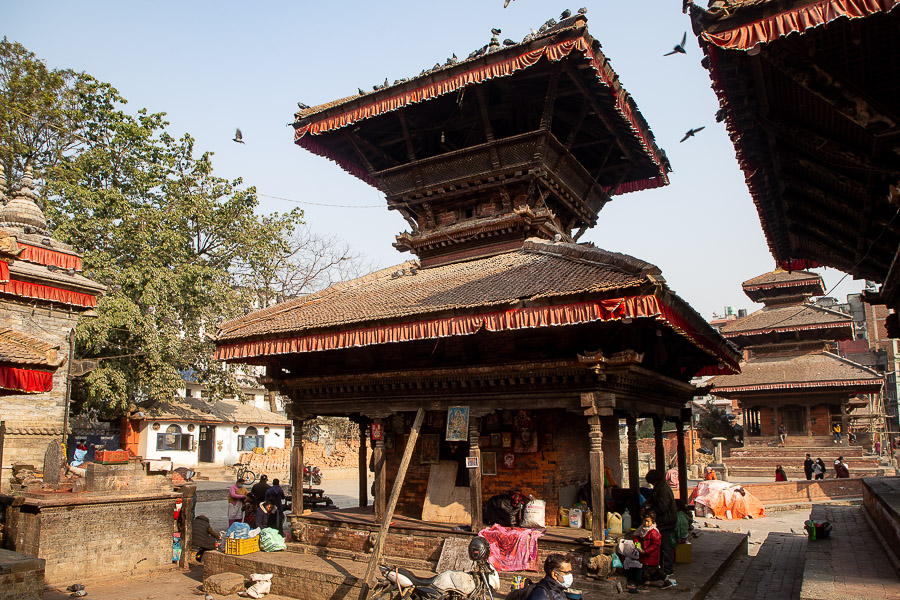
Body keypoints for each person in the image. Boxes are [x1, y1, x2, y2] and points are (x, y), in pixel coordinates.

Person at [643, 469, 676, 582]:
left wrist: (651, 511)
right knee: (663, 546)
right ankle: (662, 568)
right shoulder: (660, 487)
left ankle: (667, 569)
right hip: (664, 521)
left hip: (666, 521)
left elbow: (662, 506)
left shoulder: (663, 489)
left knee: (665, 546)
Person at [634, 511, 673, 589]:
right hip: (645, 555)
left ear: (652, 521)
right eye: (644, 521)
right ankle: (665, 581)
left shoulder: (654, 532)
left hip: (652, 555)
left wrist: (646, 551)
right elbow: (635, 536)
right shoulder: (641, 529)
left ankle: (646, 584)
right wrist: (637, 544)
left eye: (648, 521)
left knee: (650, 570)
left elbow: (655, 545)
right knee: (650, 569)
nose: (646, 523)